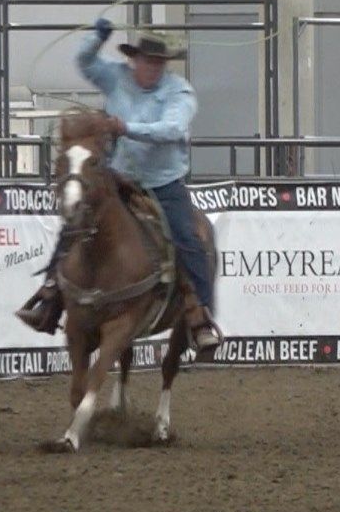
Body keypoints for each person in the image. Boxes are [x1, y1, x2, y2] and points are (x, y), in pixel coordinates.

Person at [16, 18, 221, 351]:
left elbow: (173, 128)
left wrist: (126, 128)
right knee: (76, 224)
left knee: (188, 239)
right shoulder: (116, 77)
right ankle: (50, 295)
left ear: (164, 65)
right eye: (146, 60)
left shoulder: (179, 91)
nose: (151, 67)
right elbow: (84, 61)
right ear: (134, 59)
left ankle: (200, 316)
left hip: (163, 183)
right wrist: (96, 37)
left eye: (157, 62)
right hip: (117, 177)